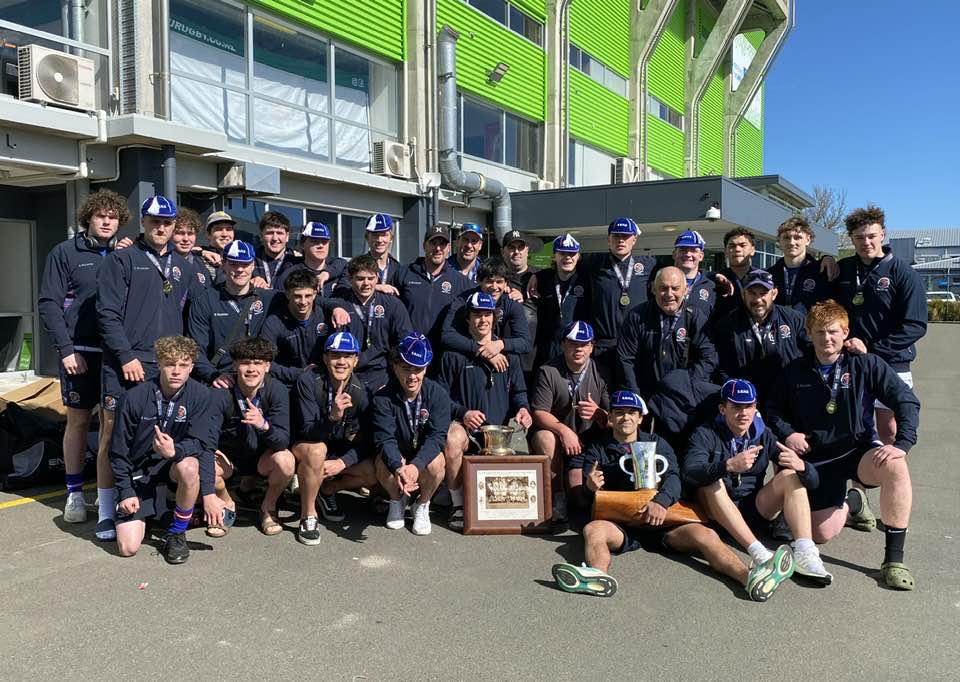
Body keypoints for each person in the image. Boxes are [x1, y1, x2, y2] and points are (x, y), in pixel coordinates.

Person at [552, 390, 795, 602]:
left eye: (631, 412)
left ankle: (749, 578)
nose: (625, 417)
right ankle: (597, 576)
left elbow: (675, 477)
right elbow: (583, 499)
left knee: (706, 534)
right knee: (593, 530)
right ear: (611, 418)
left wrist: (660, 502)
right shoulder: (596, 448)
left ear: (640, 418)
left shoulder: (657, 443)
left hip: (664, 522)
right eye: (619, 412)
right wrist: (589, 488)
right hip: (621, 522)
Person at [766, 300, 921, 590]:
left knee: (895, 465)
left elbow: (906, 400)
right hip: (817, 459)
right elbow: (772, 409)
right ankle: (852, 503)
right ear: (809, 333)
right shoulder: (794, 370)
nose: (827, 338)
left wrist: (903, 443)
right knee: (820, 533)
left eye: (834, 332)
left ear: (845, 331)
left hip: (856, 451)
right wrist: (789, 434)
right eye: (820, 332)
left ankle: (893, 560)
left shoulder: (865, 363)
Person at [96, 194, 198, 541]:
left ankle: (153, 504)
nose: (161, 227)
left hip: (165, 366)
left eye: (167, 222)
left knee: (162, 436)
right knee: (113, 437)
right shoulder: (122, 259)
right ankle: (107, 510)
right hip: (125, 363)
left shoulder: (184, 266)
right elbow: (106, 314)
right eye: (155, 221)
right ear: (143, 222)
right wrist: (125, 356)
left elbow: (191, 317)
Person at [39, 189, 131, 523]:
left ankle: (114, 492)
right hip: (81, 352)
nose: (107, 221)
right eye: (100, 216)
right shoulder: (65, 252)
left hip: (119, 354)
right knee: (78, 421)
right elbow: (49, 303)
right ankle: (75, 493)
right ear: (88, 219)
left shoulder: (128, 253)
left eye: (113, 216)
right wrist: (66, 349)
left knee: (114, 424)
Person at [833, 205, 927, 531]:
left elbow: (915, 326)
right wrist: (824, 261)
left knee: (889, 433)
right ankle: (858, 500)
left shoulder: (904, 273)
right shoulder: (844, 269)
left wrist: (872, 349)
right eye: (859, 237)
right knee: (854, 430)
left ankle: (893, 496)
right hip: (851, 365)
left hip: (892, 365)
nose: (866, 242)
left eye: (871, 236)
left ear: (883, 234)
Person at [684, 379, 831, 585]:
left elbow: (813, 482)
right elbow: (689, 473)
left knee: (790, 476)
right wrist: (727, 466)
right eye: (736, 406)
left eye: (749, 406)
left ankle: (806, 553)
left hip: (752, 510)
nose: (743, 413)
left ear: (755, 408)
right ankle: (760, 554)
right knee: (712, 483)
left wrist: (802, 467)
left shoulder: (763, 435)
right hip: (715, 516)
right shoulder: (705, 433)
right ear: (722, 408)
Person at [110, 336, 217, 564]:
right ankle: (145, 508)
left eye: (183, 365)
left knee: (190, 465)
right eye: (170, 364)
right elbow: (118, 451)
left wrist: (175, 451)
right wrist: (125, 490)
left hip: (172, 467)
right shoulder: (133, 397)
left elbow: (202, 444)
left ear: (192, 367)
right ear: (158, 364)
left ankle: (177, 532)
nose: (176, 371)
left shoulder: (201, 395)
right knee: (128, 548)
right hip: (140, 472)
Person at [439, 292, 534, 531]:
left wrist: (523, 409)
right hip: (465, 426)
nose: (483, 320)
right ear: (468, 319)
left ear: (495, 318)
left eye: (487, 315)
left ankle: (496, 507)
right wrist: (462, 412)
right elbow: (440, 398)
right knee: (452, 439)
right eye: (477, 315)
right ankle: (457, 502)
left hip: (497, 434)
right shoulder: (453, 354)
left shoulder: (509, 356)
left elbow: (519, 392)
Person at [292, 332, 376, 544]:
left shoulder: (362, 391)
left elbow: (367, 440)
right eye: (336, 355)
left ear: (356, 361)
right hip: (306, 447)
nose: (341, 362)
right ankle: (308, 515)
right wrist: (333, 417)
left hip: (337, 452)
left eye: (347, 356)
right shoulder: (308, 381)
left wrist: (342, 462)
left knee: (374, 470)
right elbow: (307, 430)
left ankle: (327, 490)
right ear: (325, 358)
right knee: (317, 450)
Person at [211, 336, 293, 538]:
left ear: (267, 366)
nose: (251, 369)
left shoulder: (278, 390)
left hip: (261, 459)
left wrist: (263, 425)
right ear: (235, 365)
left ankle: (268, 507)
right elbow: (207, 436)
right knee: (201, 464)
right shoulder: (221, 392)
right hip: (228, 458)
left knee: (286, 461)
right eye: (245, 363)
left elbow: (282, 440)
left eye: (257, 363)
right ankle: (226, 503)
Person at [529, 321, 609, 522]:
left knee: (581, 501)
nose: (578, 348)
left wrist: (599, 414)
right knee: (547, 438)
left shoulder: (602, 372)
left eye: (584, 344)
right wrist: (564, 431)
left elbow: (613, 418)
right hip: (557, 436)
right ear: (563, 344)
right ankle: (557, 495)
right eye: (573, 343)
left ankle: (573, 485)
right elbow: (539, 412)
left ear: (592, 347)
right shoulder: (548, 370)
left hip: (587, 443)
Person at [371, 333, 450, 535]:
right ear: (395, 367)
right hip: (397, 454)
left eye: (418, 369)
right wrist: (399, 467)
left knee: (438, 462)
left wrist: (416, 465)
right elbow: (385, 438)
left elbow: (437, 437)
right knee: (382, 462)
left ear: (425, 369)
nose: (412, 376)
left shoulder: (438, 394)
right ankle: (396, 500)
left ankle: (422, 504)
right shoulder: (382, 397)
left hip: (421, 455)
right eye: (406, 368)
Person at [187, 240, 279, 388]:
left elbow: (304, 296)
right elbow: (195, 348)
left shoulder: (267, 297)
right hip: (221, 380)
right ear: (223, 264)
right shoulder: (206, 301)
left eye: (245, 264)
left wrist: (331, 306)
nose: (240, 269)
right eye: (234, 264)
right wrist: (213, 375)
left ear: (253, 266)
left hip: (256, 378)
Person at [617, 266, 717, 399]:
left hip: (683, 396)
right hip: (644, 396)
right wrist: (635, 396)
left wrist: (685, 383)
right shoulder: (637, 316)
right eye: (663, 288)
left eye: (675, 288)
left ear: (686, 289)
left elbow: (709, 358)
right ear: (653, 289)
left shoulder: (695, 317)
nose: (669, 294)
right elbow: (625, 359)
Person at [712, 269, 807, 402]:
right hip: (746, 401)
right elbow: (722, 368)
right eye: (752, 293)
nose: (758, 299)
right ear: (743, 294)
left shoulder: (794, 319)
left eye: (763, 293)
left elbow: (812, 353)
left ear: (774, 294)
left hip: (788, 399)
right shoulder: (727, 325)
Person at [578, 218, 656, 372]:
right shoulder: (593, 263)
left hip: (636, 347)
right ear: (609, 240)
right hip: (603, 347)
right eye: (616, 236)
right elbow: (565, 268)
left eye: (625, 236)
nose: (621, 240)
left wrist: (712, 277)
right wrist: (537, 277)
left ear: (634, 239)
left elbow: (681, 272)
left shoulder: (649, 265)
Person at [328, 254, 412, 390]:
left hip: (383, 376)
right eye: (360, 279)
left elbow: (404, 341)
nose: (366, 283)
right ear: (350, 279)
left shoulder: (392, 304)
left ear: (377, 278)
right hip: (350, 376)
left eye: (371, 278)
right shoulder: (341, 305)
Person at [441, 258, 532, 370]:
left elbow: (525, 343)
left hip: (501, 361)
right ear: (479, 281)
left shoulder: (511, 303)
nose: (494, 287)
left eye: (499, 282)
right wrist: (482, 350)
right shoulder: (463, 301)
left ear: (506, 284)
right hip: (469, 359)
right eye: (489, 281)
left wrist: (500, 344)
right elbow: (447, 335)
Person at [395, 225, 473, 352]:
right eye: (433, 243)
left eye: (442, 244)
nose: (438, 248)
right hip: (409, 351)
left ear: (449, 248)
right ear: (424, 245)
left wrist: (507, 291)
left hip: (443, 355)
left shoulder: (461, 282)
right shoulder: (404, 273)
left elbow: (486, 298)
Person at [258, 269, 328, 388]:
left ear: (315, 294)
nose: (303, 301)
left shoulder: (326, 316)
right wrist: (299, 373)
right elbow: (265, 361)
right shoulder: (274, 322)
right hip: (287, 384)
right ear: (287, 294)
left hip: (321, 381)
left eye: (308, 296)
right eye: (297, 296)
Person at [530, 234, 591, 367]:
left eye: (572, 253)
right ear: (554, 256)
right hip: (548, 352)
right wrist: (535, 276)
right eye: (562, 253)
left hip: (577, 350)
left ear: (578, 256)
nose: (567, 257)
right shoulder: (544, 280)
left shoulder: (587, 281)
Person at [768, 216, 833, 313]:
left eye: (797, 237)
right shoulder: (769, 274)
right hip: (777, 327)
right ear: (779, 241)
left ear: (808, 240)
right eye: (786, 237)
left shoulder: (822, 271)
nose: (791, 242)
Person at [277, 222, 348, 297]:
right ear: (302, 245)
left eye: (325, 242)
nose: (321, 245)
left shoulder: (340, 270)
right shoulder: (290, 274)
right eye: (315, 241)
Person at [711, 228, 756, 320]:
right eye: (732, 246)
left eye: (742, 245)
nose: (737, 249)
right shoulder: (715, 280)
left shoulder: (762, 278)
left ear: (752, 250)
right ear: (726, 251)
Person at [251, 210, 301, 290]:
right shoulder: (249, 261)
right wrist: (249, 282)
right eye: (270, 233)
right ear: (261, 236)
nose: (275, 238)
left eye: (279, 233)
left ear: (287, 236)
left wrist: (327, 272)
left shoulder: (297, 261)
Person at [170, 207, 211, 289]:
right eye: (180, 233)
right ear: (170, 234)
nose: (186, 239)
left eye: (190, 233)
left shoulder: (201, 264)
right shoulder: (163, 261)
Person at [364, 213, 402, 293]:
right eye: (375, 235)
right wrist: (376, 287)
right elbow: (347, 287)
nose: (380, 240)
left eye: (384, 235)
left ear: (391, 238)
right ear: (367, 238)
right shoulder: (357, 265)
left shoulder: (399, 269)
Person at [198, 210, 237, 282]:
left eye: (228, 229)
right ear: (208, 234)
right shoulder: (198, 259)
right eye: (218, 229)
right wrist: (200, 252)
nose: (225, 234)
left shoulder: (241, 259)